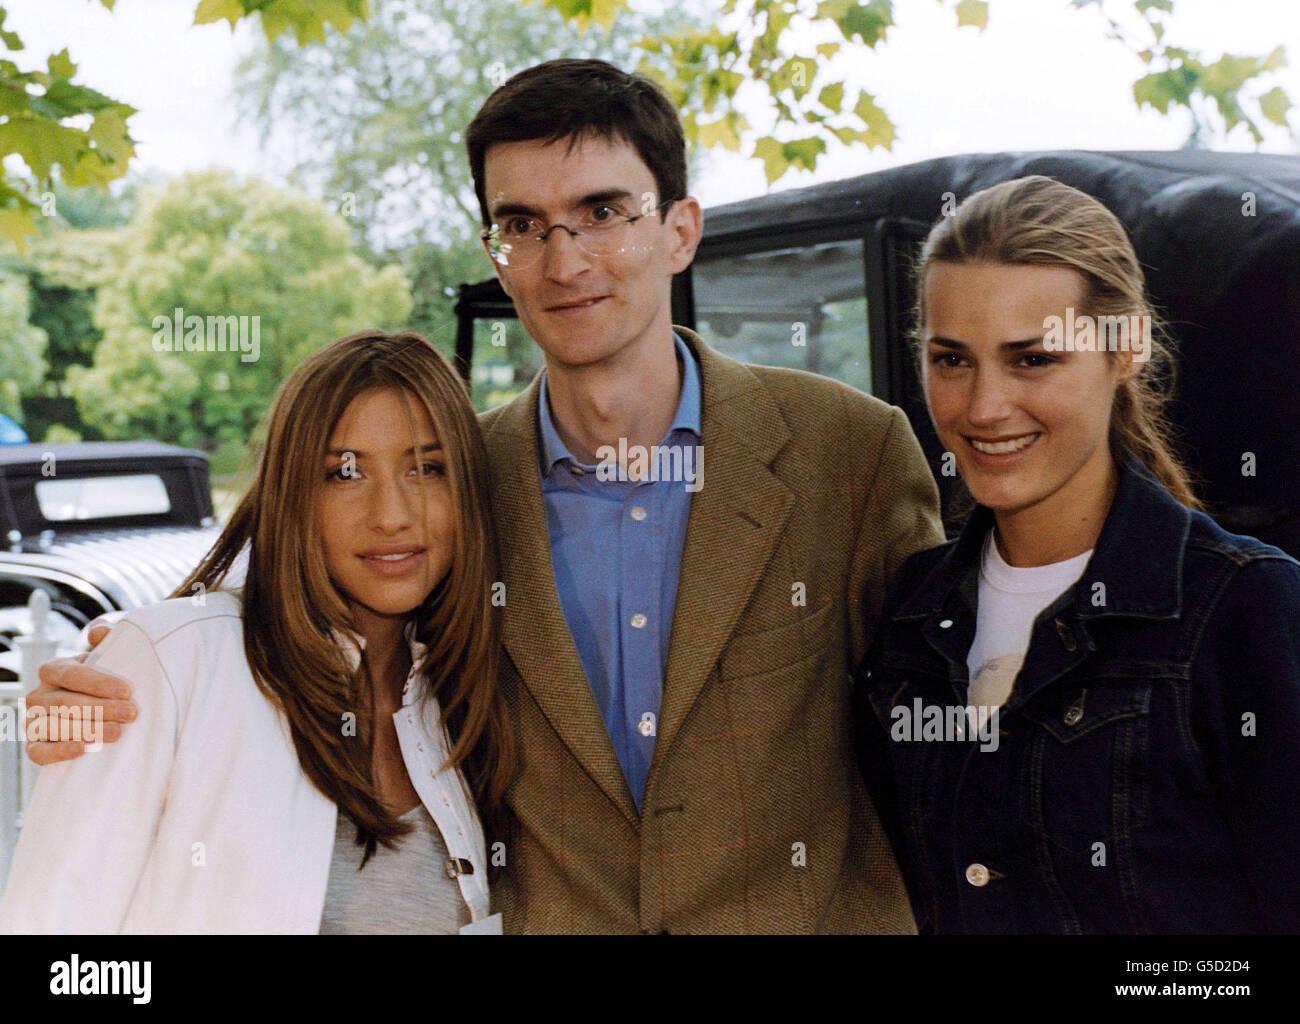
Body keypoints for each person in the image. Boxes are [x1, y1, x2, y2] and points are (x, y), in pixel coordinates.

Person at [26, 60, 944, 934]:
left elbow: (952, 730)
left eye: (602, 211)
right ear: (496, 254)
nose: (565, 257)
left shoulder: (850, 454)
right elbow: (301, 601)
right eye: (523, 223)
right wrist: (115, 691)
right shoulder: (458, 480)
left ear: (680, 229)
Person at [853, 175, 1300, 933]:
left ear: (1127, 351)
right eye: (951, 359)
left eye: (1032, 360)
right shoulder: (911, 611)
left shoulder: (1246, 607)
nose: (984, 407)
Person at [1, 331, 512, 933]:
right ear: (293, 494)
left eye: (427, 469)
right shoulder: (171, 667)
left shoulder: (464, 706)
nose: (393, 515)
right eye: (345, 474)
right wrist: (137, 651)